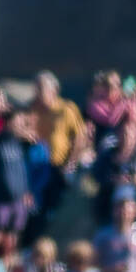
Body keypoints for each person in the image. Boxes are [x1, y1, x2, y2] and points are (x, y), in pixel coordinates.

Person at [30, 70, 86, 225]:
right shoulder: (33, 110)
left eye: (41, 89)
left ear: (53, 90)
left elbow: (79, 137)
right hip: (38, 167)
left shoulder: (66, 109)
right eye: (36, 89)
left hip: (59, 166)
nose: (37, 93)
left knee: (58, 205)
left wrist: (71, 163)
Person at [0, 106, 34, 236]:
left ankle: (9, 257)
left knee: (13, 235)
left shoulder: (19, 144)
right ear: (10, 122)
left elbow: (22, 170)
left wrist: (26, 191)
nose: (21, 125)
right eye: (19, 121)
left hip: (18, 199)